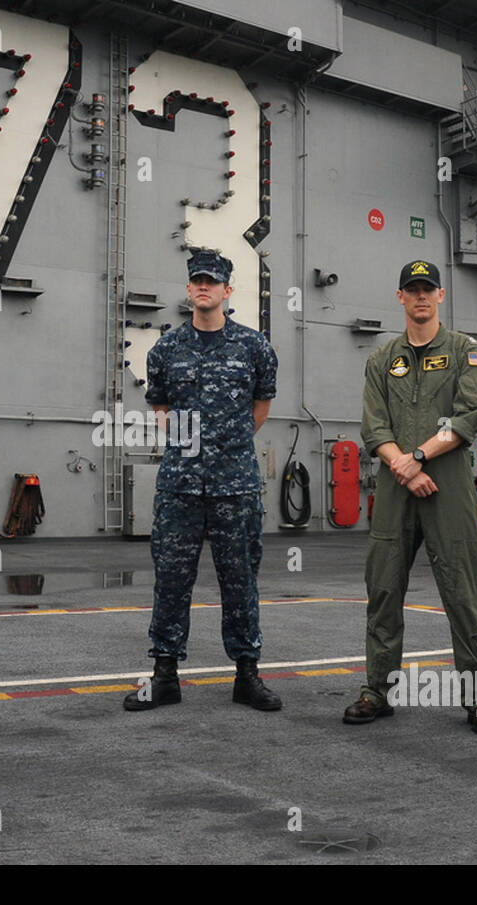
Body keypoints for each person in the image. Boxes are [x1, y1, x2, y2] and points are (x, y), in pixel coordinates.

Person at [344, 260, 477, 733]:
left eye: (428, 289)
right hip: (398, 486)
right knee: (384, 588)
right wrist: (404, 466)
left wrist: (417, 456)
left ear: (440, 295)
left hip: (447, 484)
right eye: (412, 290)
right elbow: (374, 426)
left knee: (463, 589)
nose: (420, 297)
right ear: (400, 298)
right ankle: (377, 689)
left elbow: (467, 417)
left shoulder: (465, 352)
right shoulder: (380, 359)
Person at [124, 249, 281, 712]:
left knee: (240, 580)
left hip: (236, 484)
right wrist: (191, 441)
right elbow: (159, 404)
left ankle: (247, 675)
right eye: (197, 281)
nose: (204, 287)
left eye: (213, 281)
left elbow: (261, 406)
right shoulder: (166, 349)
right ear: (189, 289)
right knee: (171, 581)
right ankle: (165, 675)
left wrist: (225, 443)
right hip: (180, 486)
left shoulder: (254, 347)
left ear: (228, 290)